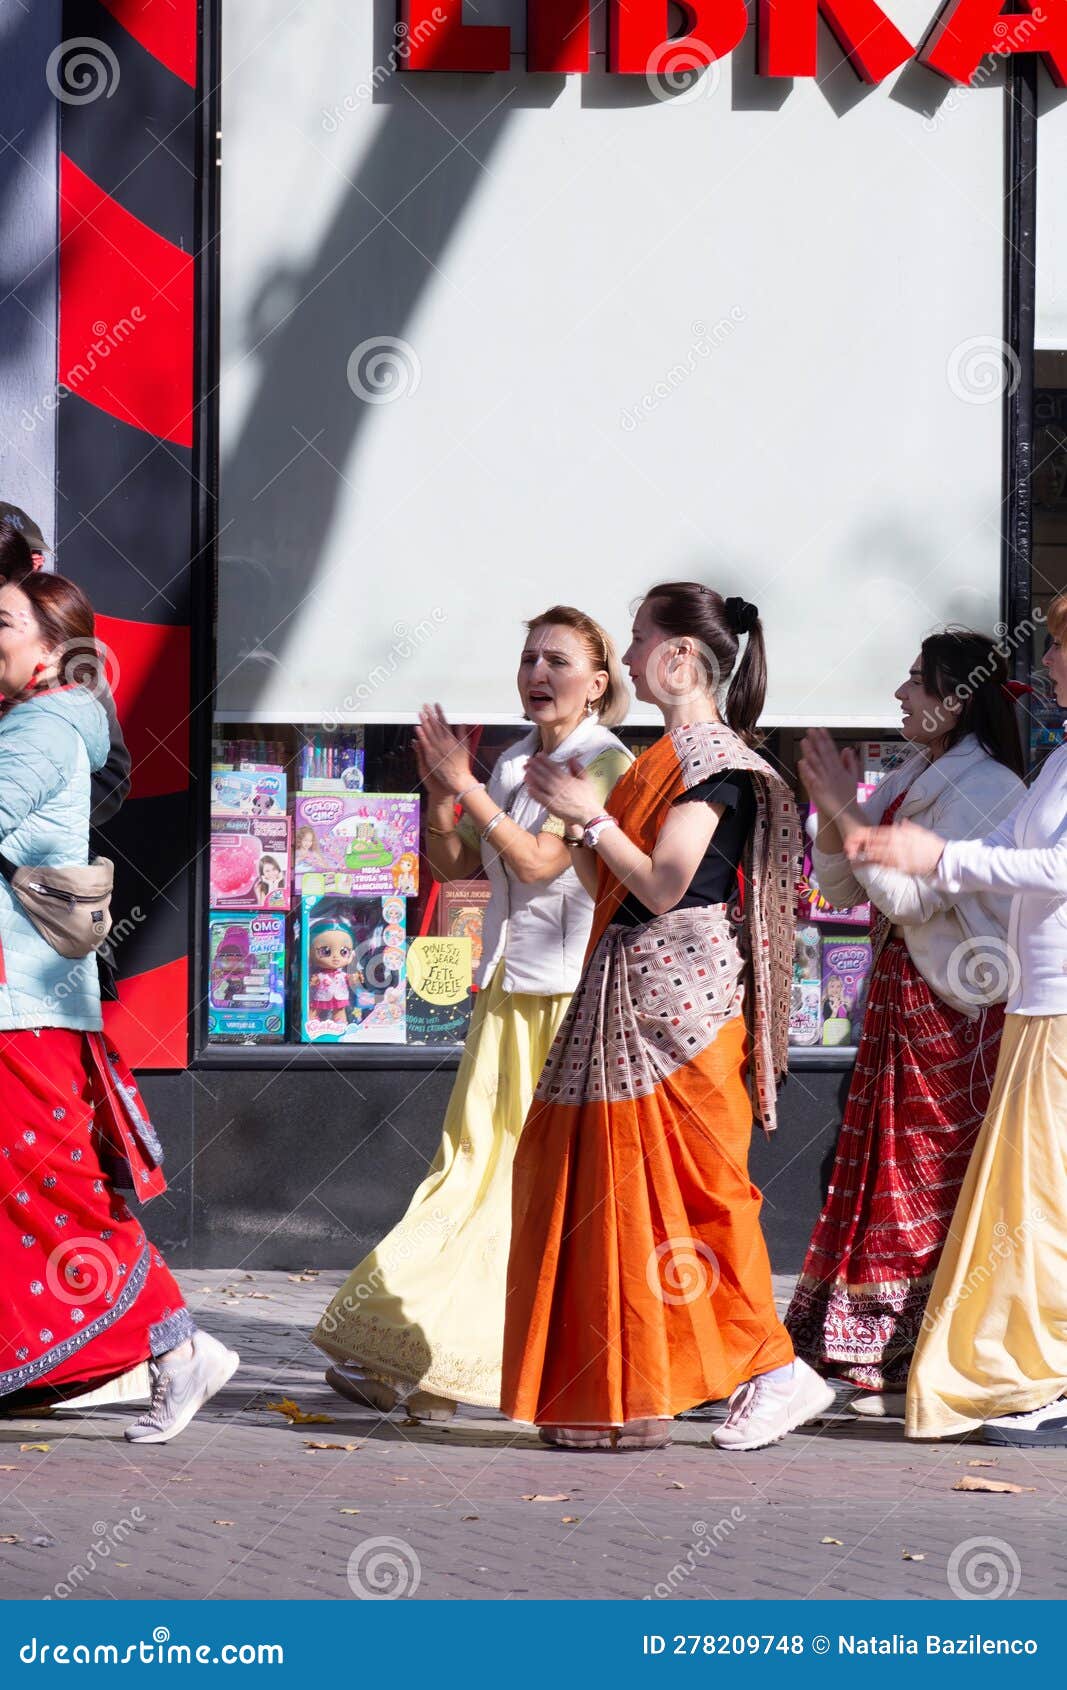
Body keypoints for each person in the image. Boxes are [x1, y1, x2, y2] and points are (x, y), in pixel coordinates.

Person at [500, 584, 833, 1453]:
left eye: (643, 634)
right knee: (622, 1202)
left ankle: (771, 1368)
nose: (633, 648)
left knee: (703, 1199)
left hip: (680, 1018)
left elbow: (661, 884)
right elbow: (615, 890)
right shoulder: (663, 757)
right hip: (636, 1002)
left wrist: (588, 816)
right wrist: (583, 832)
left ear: (680, 657)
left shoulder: (712, 761)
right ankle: (640, 1384)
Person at [313, 607, 632, 1420]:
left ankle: (440, 1361)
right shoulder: (519, 758)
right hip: (506, 988)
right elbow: (464, 865)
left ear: (597, 683)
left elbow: (537, 860)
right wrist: (439, 796)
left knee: (511, 1182)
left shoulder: (603, 758)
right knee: (468, 1168)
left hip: (565, 999)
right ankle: (422, 1355)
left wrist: (464, 786)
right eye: (527, 658)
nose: (536, 673)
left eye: (557, 660)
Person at [0, 571, 238, 1442]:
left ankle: (179, 1348)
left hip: (20, 1000)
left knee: (56, 1194)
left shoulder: (41, 728)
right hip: (24, 997)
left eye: (0, 621)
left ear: (51, 650)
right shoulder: (39, 722)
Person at [844, 595, 1067, 1448]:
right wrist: (873, 833)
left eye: (1057, 648)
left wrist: (936, 853)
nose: (1045, 664)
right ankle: (1028, 1364)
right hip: (1036, 1003)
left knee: (1040, 1199)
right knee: (1026, 1194)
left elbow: (1048, 865)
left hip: (1050, 1002)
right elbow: (1010, 855)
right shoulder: (1053, 766)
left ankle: (1041, 1372)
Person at [784, 634, 1026, 1413]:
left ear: (956, 697)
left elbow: (912, 899)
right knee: (876, 1165)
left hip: (953, 1009)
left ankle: (911, 1350)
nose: (899, 693)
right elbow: (838, 880)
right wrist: (838, 813)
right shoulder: (917, 776)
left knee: (922, 1171)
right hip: (903, 996)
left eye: (915, 681)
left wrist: (845, 810)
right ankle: (868, 1349)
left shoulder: (985, 785)